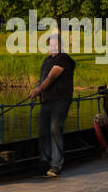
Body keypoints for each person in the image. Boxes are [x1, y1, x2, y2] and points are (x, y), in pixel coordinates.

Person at [29, 31, 76, 176]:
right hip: (46, 100)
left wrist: (38, 90)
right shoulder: (47, 60)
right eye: (51, 45)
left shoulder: (64, 59)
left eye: (57, 44)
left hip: (60, 100)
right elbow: (42, 78)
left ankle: (56, 165)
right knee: (43, 130)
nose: (54, 47)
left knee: (55, 128)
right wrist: (37, 90)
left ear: (61, 46)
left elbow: (51, 77)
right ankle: (44, 162)